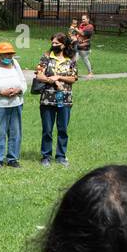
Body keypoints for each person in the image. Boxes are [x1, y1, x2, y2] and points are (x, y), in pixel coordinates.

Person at [35, 33, 78, 167]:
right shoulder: (46, 57)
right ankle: (46, 156)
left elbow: (74, 78)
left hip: (65, 99)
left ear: (63, 45)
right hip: (47, 99)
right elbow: (39, 75)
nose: (54, 45)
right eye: (52, 43)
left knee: (63, 129)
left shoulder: (71, 59)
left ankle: (61, 156)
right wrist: (51, 80)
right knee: (47, 129)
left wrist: (58, 77)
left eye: (57, 44)